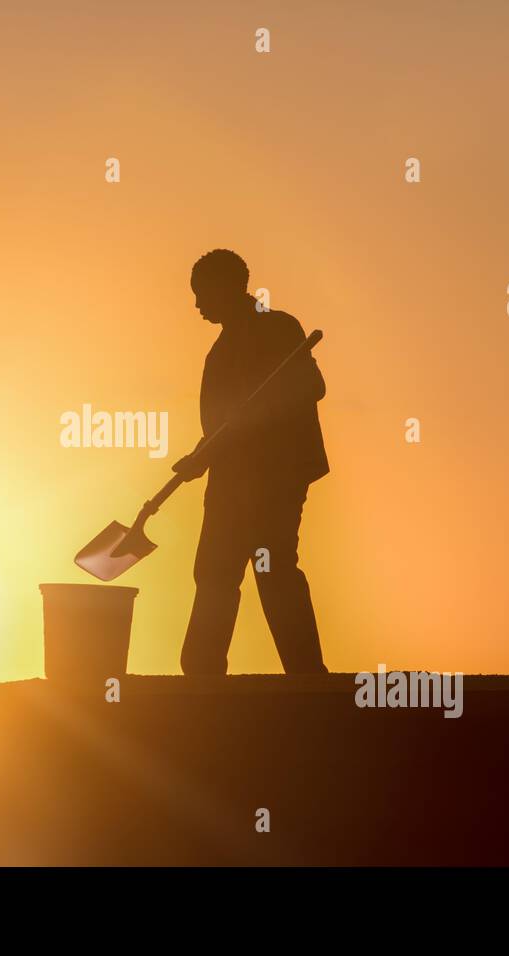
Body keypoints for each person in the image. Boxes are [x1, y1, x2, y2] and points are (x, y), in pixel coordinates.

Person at [172, 249, 330, 675]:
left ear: (227, 288)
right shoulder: (220, 352)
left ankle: (307, 676)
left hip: (276, 477)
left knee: (274, 566)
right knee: (214, 568)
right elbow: (220, 428)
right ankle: (201, 673)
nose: (198, 305)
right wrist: (199, 460)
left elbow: (312, 385)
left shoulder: (279, 328)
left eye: (202, 294)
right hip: (230, 480)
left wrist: (255, 415)